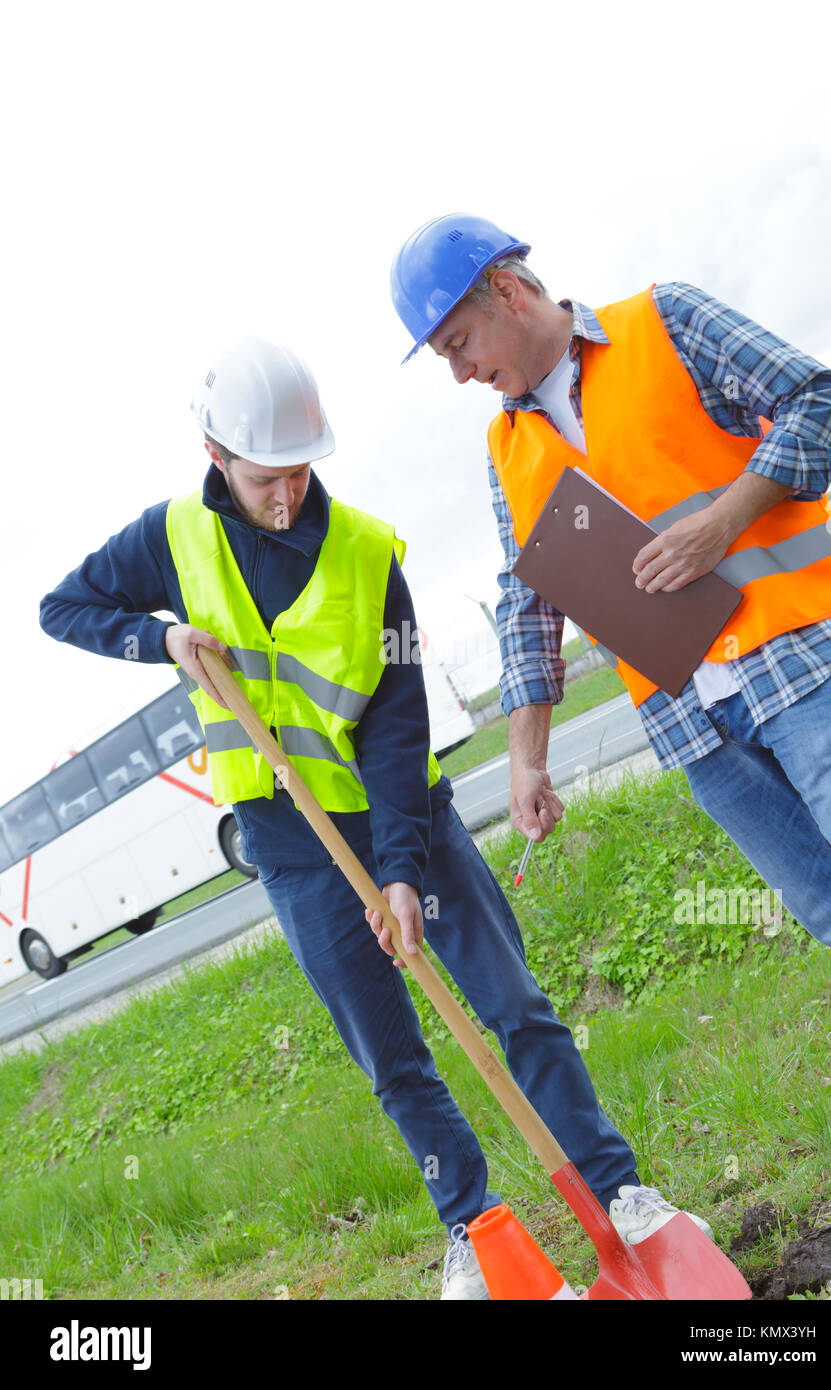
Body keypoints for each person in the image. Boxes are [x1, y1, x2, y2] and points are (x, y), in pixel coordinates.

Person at [39, 335, 712, 1300]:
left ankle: (619, 1195)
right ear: (216, 458)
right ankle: (475, 1230)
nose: (288, 495)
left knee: (513, 1007)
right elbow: (62, 608)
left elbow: (398, 728)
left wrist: (400, 868)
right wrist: (162, 636)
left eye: (301, 472)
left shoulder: (363, 551)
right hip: (293, 846)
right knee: (388, 1052)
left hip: (408, 822)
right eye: (268, 478)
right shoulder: (171, 536)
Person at [391, 214, 831, 974]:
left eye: (459, 346)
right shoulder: (506, 449)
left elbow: (825, 399)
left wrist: (727, 518)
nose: (460, 374)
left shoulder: (663, 322)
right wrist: (527, 760)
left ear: (507, 292)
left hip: (806, 664)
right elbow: (528, 608)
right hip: (696, 729)